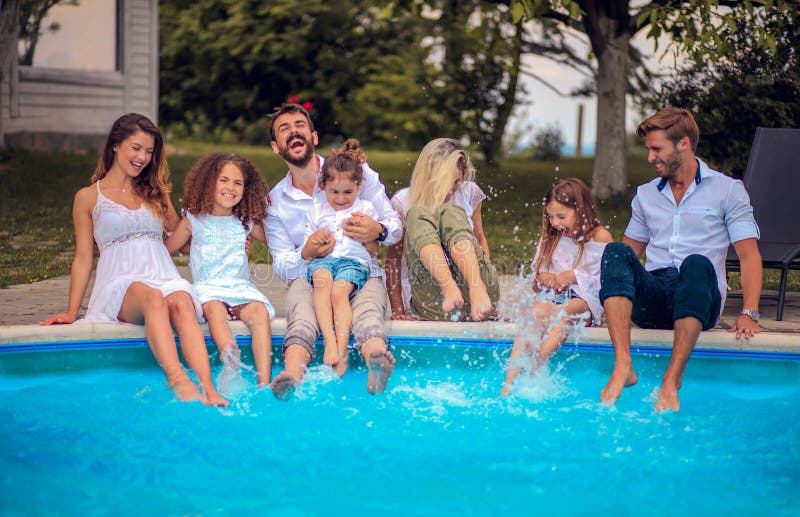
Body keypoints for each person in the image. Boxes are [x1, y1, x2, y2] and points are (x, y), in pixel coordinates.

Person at [41, 113, 228, 406]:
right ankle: (178, 380)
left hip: (162, 275)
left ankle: (208, 387)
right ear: (116, 145)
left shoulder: (156, 193)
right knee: (153, 298)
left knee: (181, 301)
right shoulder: (88, 197)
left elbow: (182, 240)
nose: (142, 157)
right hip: (120, 283)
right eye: (136, 148)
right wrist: (71, 311)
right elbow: (83, 258)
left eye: (149, 151)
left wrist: (226, 239)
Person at [599, 107, 762, 412]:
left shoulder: (727, 191)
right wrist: (598, 306)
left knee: (696, 262)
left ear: (684, 144)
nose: (650, 157)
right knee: (615, 250)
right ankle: (623, 365)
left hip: (699, 296)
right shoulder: (646, 194)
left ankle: (672, 380)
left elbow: (748, 255)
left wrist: (748, 313)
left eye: (657, 149)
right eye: (649, 149)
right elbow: (628, 255)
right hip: (655, 295)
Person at [263, 103, 401, 398]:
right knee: (302, 314)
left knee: (368, 312)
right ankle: (292, 373)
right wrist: (306, 252)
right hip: (312, 273)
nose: (293, 132)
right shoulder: (274, 203)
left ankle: (376, 360)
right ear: (276, 146)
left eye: (300, 125)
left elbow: (395, 227)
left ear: (313, 136)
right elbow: (282, 265)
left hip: (361, 268)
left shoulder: (354, 172)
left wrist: (377, 231)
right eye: (284, 129)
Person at [165, 152, 274, 387]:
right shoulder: (195, 219)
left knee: (259, 312)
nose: (230, 188)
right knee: (214, 310)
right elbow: (168, 249)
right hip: (208, 289)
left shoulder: (245, 221)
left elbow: (274, 240)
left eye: (238, 183)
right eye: (223, 180)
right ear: (209, 183)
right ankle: (230, 356)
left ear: (246, 189)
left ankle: (264, 381)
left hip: (239, 288)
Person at [501, 178, 612, 396]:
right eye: (550, 217)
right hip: (554, 300)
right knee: (534, 313)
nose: (555, 223)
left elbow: (606, 283)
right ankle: (508, 384)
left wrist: (572, 277)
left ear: (581, 210)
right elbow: (536, 280)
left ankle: (535, 369)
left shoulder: (600, 237)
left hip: (584, 303)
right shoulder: (552, 237)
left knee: (563, 314)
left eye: (561, 217)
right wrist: (544, 280)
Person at [396, 138, 499, 321]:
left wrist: (491, 299)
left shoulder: (469, 192)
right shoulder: (403, 200)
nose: (451, 190)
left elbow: (480, 239)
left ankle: (478, 289)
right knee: (417, 214)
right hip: (435, 302)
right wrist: (398, 310)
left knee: (450, 213)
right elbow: (394, 260)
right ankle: (448, 287)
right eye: (446, 182)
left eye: (457, 181)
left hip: (475, 295)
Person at [304, 140, 380, 376]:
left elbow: (373, 250)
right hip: (323, 261)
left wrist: (364, 234)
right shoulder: (316, 210)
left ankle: (342, 348)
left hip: (353, 262)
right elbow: (307, 249)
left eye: (348, 192)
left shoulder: (365, 209)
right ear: (323, 186)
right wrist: (317, 241)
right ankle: (329, 341)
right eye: (333, 192)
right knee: (322, 282)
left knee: (338, 292)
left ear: (358, 186)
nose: (340, 198)